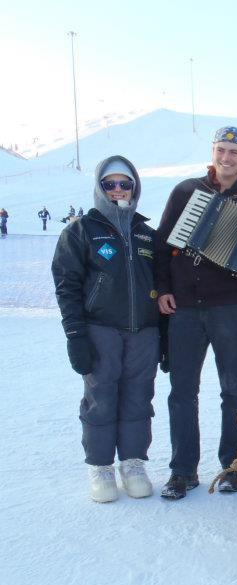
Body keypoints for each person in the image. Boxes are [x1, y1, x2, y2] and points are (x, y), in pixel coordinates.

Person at [155, 126, 237, 500]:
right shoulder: (186, 192)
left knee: (232, 388)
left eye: (234, 153)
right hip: (186, 308)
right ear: (213, 153)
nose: (226, 158)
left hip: (231, 307)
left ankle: (232, 465)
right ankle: (182, 470)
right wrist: (161, 289)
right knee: (182, 391)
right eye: (221, 151)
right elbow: (162, 246)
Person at [51, 156, 160, 502]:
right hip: (100, 328)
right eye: (109, 183)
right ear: (99, 187)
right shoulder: (82, 231)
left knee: (139, 396)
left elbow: (163, 285)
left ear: (134, 187)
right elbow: (67, 286)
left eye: (124, 183)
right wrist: (75, 334)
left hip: (143, 330)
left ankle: (132, 463)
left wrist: (167, 335)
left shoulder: (146, 232)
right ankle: (100, 466)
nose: (117, 190)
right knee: (101, 397)